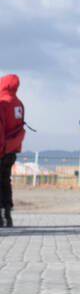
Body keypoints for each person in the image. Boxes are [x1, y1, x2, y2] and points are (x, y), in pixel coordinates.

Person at [0, 74, 25, 228]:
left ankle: (1, 217)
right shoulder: (19, 104)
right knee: (5, 182)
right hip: (12, 150)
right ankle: (7, 216)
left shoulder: (3, 103)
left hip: (2, 149)